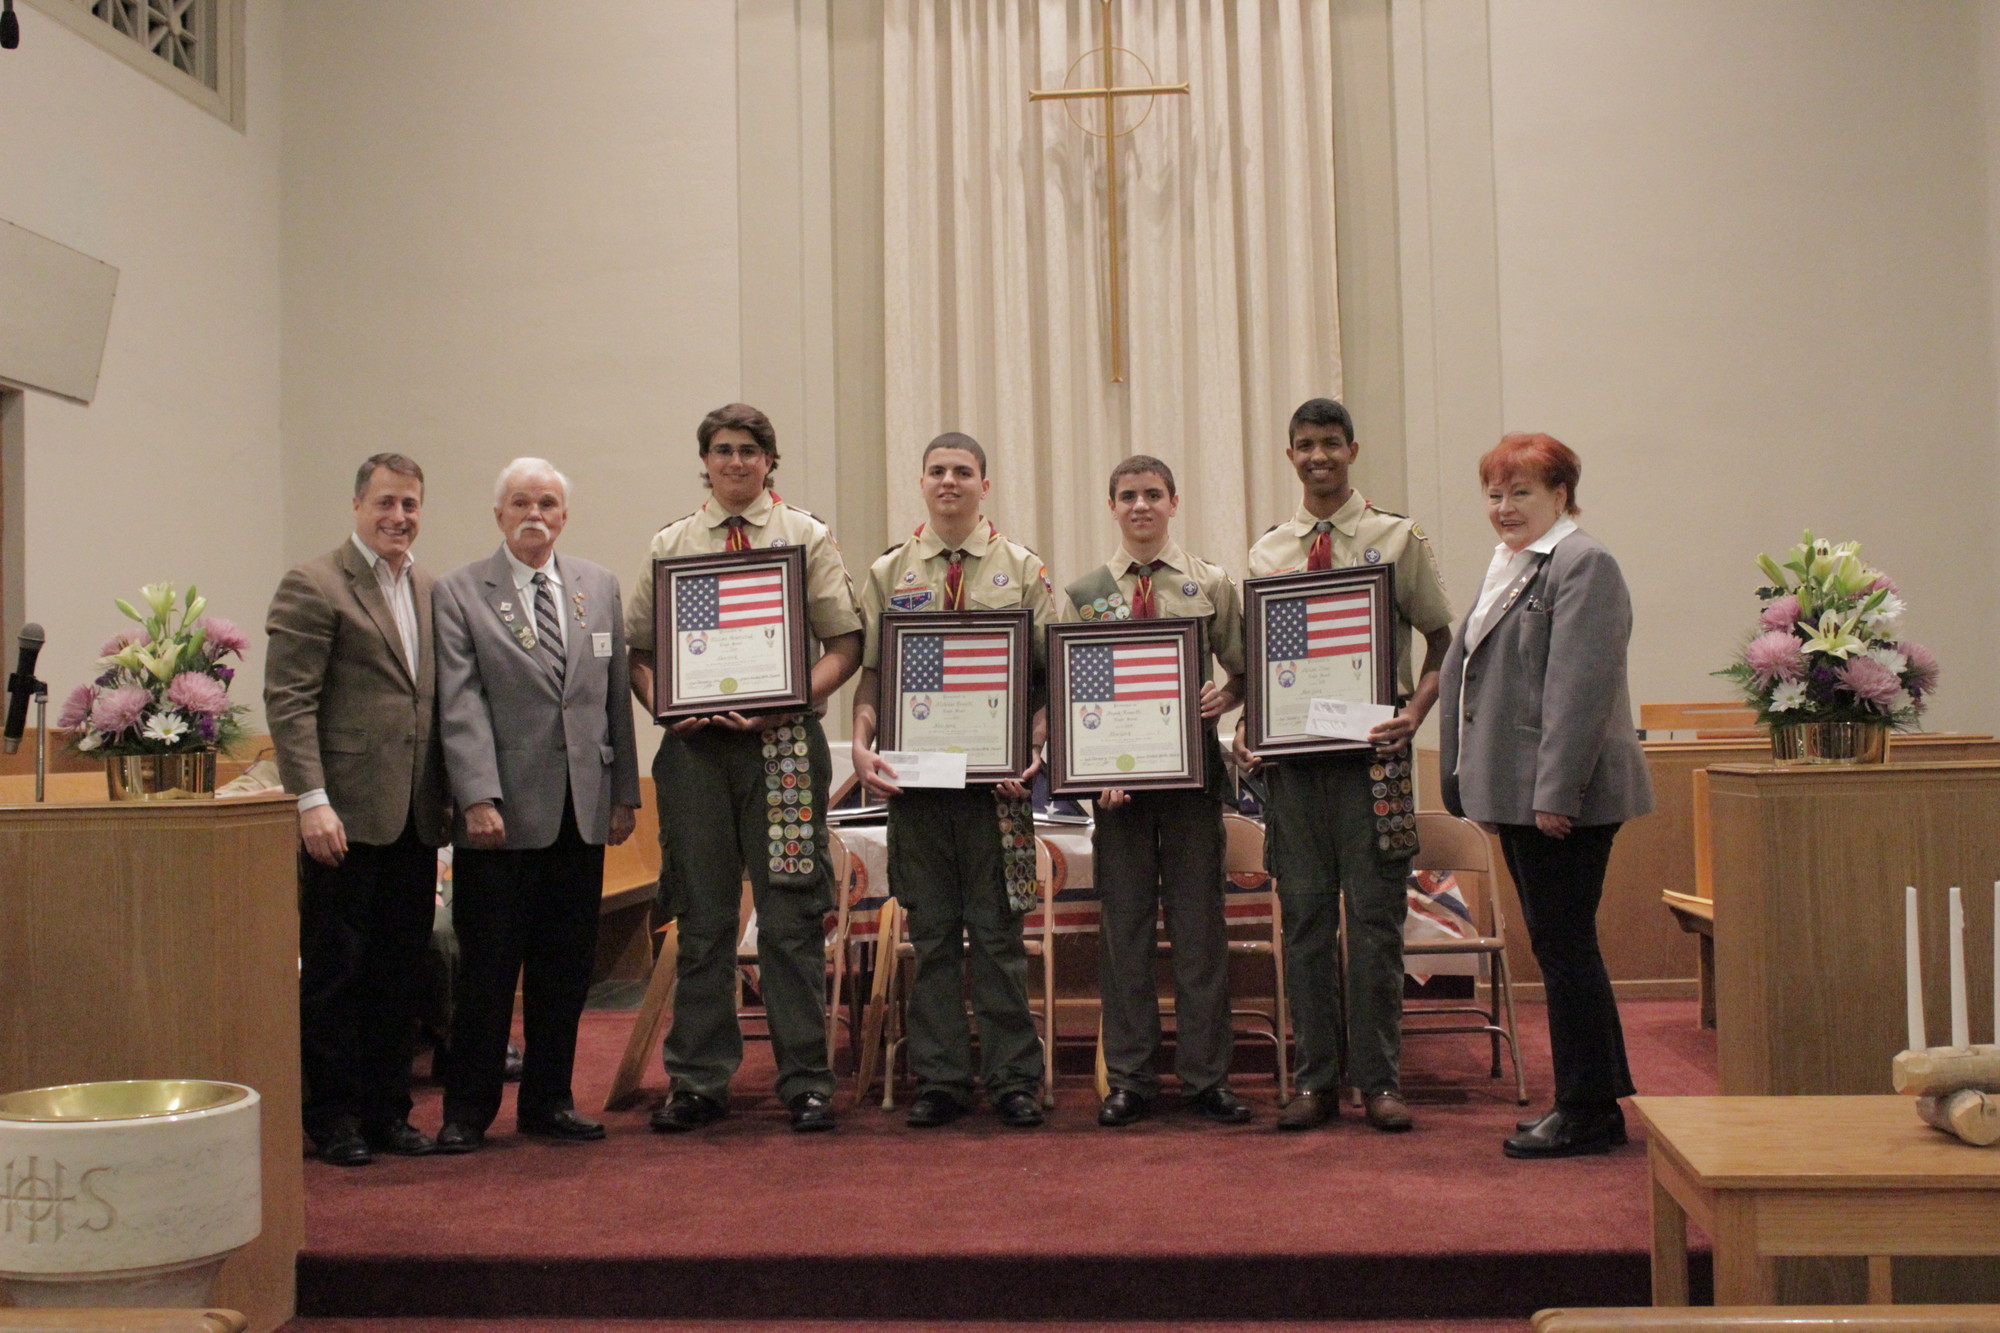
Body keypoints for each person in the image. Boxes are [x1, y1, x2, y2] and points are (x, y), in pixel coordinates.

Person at [626, 404, 863, 1134]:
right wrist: (666, 703)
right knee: (702, 917)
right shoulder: (672, 543)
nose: (736, 462)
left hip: (782, 749)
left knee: (790, 918)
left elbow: (845, 643)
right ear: (706, 460)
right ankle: (697, 1080)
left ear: (769, 461)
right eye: (723, 450)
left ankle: (806, 1080)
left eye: (750, 451)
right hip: (697, 755)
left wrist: (789, 699)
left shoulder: (805, 536)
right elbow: (638, 650)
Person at [1236, 398, 1455, 1133]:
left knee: (1375, 922)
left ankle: (1381, 1082)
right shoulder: (1268, 553)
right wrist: (1250, 729)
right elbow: (1259, 665)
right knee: (1301, 923)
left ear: (1352, 450)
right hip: (1295, 772)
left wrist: (1415, 713)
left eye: (1331, 443)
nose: (1318, 456)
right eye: (1305, 445)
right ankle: (1314, 1082)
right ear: (1289, 454)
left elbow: (1442, 640)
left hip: (1376, 758)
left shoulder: (1397, 538)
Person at [1438, 432, 1653, 1158]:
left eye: (1520, 491)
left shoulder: (1583, 563)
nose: (1503, 506)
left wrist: (1554, 791)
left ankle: (1589, 1107)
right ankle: (1593, 1099)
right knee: (1562, 946)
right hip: (1522, 794)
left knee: (1564, 948)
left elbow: (1581, 690)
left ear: (1562, 493)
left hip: (1564, 799)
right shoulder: (1512, 564)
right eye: (1494, 493)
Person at [431, 458, 641, 1152]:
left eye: (548, 502)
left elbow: (613, 704)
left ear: (564, 515)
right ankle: (468, 1109)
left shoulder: (596, 586)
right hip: (501, 819)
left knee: (564, 973)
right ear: (498, 514)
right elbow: (460, 705)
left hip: (581, 814)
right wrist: (477, 796)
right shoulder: (461, 592)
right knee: (489, 973)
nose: (535, 514)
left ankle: (550, 1100)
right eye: (521, 502)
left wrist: (623, 796)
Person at [851, 432, 1051, 1129]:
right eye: (937, 470)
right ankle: (938, 1076)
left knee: (999, 937)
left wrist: (1034, 742)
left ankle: (1012, 1079)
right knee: (932, 935)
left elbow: (1047, 678)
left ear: (984, 486)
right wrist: (859, 742)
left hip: (996, 791)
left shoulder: (1022, 570)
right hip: (918, 790)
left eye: (963, 471)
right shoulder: (889, 571)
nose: (949, 481)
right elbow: (874, 673)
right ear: (922, 480)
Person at [265, 453, 449, 1166]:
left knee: (400, 970)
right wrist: (310, 799)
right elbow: (290, 700)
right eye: (385, 503)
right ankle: (333, 1115)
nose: (398, 517)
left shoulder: (430, 588)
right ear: (356, 504)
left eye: (409, 504)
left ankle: (388, 1110)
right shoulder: (314, 584)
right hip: (340, 815)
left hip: (413, 812)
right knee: (338, 972)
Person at [1067, 455, 1251, 1127]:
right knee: (1125, 937)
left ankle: (1207, 1077)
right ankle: (1131, 1078)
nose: (1140, 505)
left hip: (1191, 783)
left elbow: (1245, 670)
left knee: (1201, 933)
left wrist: (1223, 694)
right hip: (1118, 794)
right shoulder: (1084, 593)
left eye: (1152, 493)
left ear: (1174, 501)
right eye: (1127, 495)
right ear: (1111, 505)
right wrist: (1092, 777)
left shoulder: (1211, 583)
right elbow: (1068, 696)